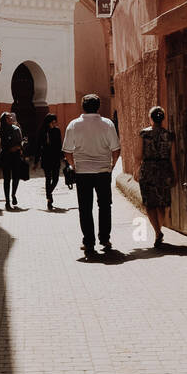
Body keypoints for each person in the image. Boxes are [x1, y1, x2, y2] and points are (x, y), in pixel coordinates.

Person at [62, 93, 120, 257]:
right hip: (103, 171)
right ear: (98, 106)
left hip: (83, 172)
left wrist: (74, 165)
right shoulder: (108, 124)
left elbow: (67, 151)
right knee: (105, 205)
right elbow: (116, 149)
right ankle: (105, 239)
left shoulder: (74, 125)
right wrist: (112, 165)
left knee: (85, 208)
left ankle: (88, 243)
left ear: (83, 107)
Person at [138, 106, 175, 248]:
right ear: (163, 118)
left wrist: (137, 170)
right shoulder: (169, 135)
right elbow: (173, 158)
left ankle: (157, 231)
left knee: (150, 203)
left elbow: (138, 155)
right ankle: (158, 231)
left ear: (150, 118)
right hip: (164, 170)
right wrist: (174, 174)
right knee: (162, 202)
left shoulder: (144, 134)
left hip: (148, 170)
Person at [0, 110, 24, 208]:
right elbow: (4, 145)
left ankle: (13, 195)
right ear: (4, 120)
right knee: (7, 179)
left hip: (15, 157)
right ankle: (7, 201)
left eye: (11, 117)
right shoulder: (1, 131)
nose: (10, 118)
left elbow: (20, 142)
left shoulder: (17, 129)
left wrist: (19, 147)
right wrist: (12, 148)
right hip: (6, 157)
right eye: (8, 117)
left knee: (16, 177)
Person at [35, 113, 63, 209]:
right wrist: (36, 161)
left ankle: (48, 193)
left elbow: (60, 145)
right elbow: (38, 147)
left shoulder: (57, 131)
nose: (55, 123)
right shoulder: (43, 132)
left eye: (55, 122)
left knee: (55, 179)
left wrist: (63, 157)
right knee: (48, 178)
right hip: (46, 158)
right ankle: (49, 200)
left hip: (55, 158)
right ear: (49, 122)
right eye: (53, 122)